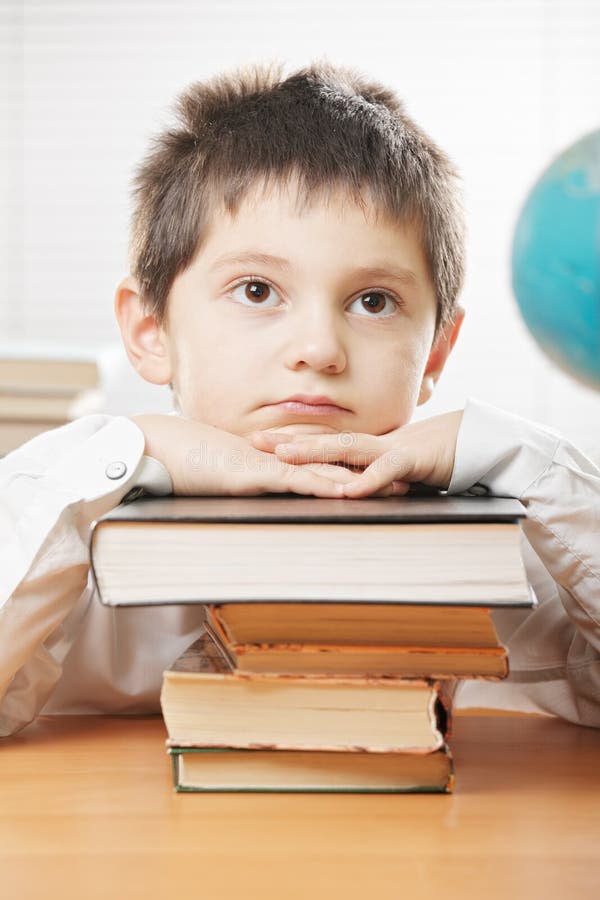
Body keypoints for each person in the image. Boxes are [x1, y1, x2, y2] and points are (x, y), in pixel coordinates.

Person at [1, 61, 599, 738]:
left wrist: (522, 459)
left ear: (433, 352)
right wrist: (128, 449)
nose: (319, 349)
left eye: (373, 301)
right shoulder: (70, 529)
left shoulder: (478, 553)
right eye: (257, 290)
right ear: (150, 331)